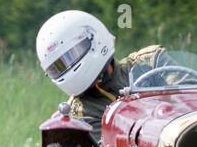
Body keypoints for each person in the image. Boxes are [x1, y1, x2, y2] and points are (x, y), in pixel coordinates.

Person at [34, 10, 164, 134]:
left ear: (95, 39)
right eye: (58, 67)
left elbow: (184, 104)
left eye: (71, 56)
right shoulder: (81, 114)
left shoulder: (152, 62)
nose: (68, 68)